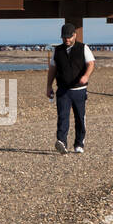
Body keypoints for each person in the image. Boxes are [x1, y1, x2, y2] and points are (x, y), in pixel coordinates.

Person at [46, 23, 95, 151]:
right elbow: (52, 69)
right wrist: (48, 86)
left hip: (79, 90)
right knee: (62, 117)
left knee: (80, 117)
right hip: (63, 90)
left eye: (69, 37)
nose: (66, 39)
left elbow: (91, 64)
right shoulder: (57, 50)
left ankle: (79, 144)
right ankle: (61, 142)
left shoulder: (83, 48)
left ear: (74, 35)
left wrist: (86, 76)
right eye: (64, 37)